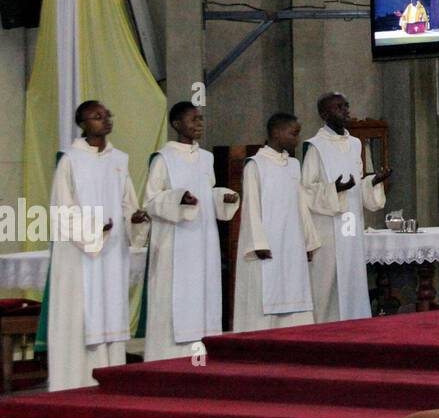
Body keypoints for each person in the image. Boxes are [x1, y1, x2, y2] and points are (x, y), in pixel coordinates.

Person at [46, 101, 150, 391]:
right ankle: (74, 381)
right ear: (82, 123)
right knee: (81, 313)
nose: (105, 120)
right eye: (97, 116)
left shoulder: (119, 160)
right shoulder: (70, 160)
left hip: (111, 253)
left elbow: (128, 202)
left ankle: (110, 378)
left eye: (107, 115)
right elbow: (61, 208)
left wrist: (135, 218)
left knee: (109, 309)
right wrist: (92, 229)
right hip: (80, 255)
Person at [142, 102, 240, 361]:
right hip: (175, 242)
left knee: (203, 295)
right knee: (175, 299)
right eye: (192, 119)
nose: (199, 124)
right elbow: (151, 201)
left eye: (200, 119)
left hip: (203, 239)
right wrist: (178, 199)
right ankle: (167, 357)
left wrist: (222, 197)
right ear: (176, 124)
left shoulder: (207, 158)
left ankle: (203, 355)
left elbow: (208, 192)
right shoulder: (163, 158)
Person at [302, 92, 392, 323]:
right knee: (327, 279)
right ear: (324, 114)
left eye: (346, 106)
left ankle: (354, 322)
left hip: (351, 221)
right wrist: (334, 189)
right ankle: (323, 325)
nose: (345, 110)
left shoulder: (354, 144)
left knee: (352, 273)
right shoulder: (315, 147)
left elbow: (359, 183)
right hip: (327, 225)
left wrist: (372, 182)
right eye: (338, 107)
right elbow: (306, 190)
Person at [234, 113, 319, 332]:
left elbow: (301, 204)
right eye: (294, 133)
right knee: (267, 293)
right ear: (276, 133)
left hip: (292, 244)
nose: (297, 139)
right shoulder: (255, 164)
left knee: (294, 291)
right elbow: (251, 206)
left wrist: (308, 241)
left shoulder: (293, 165)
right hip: (267, 244)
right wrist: (258, 243)